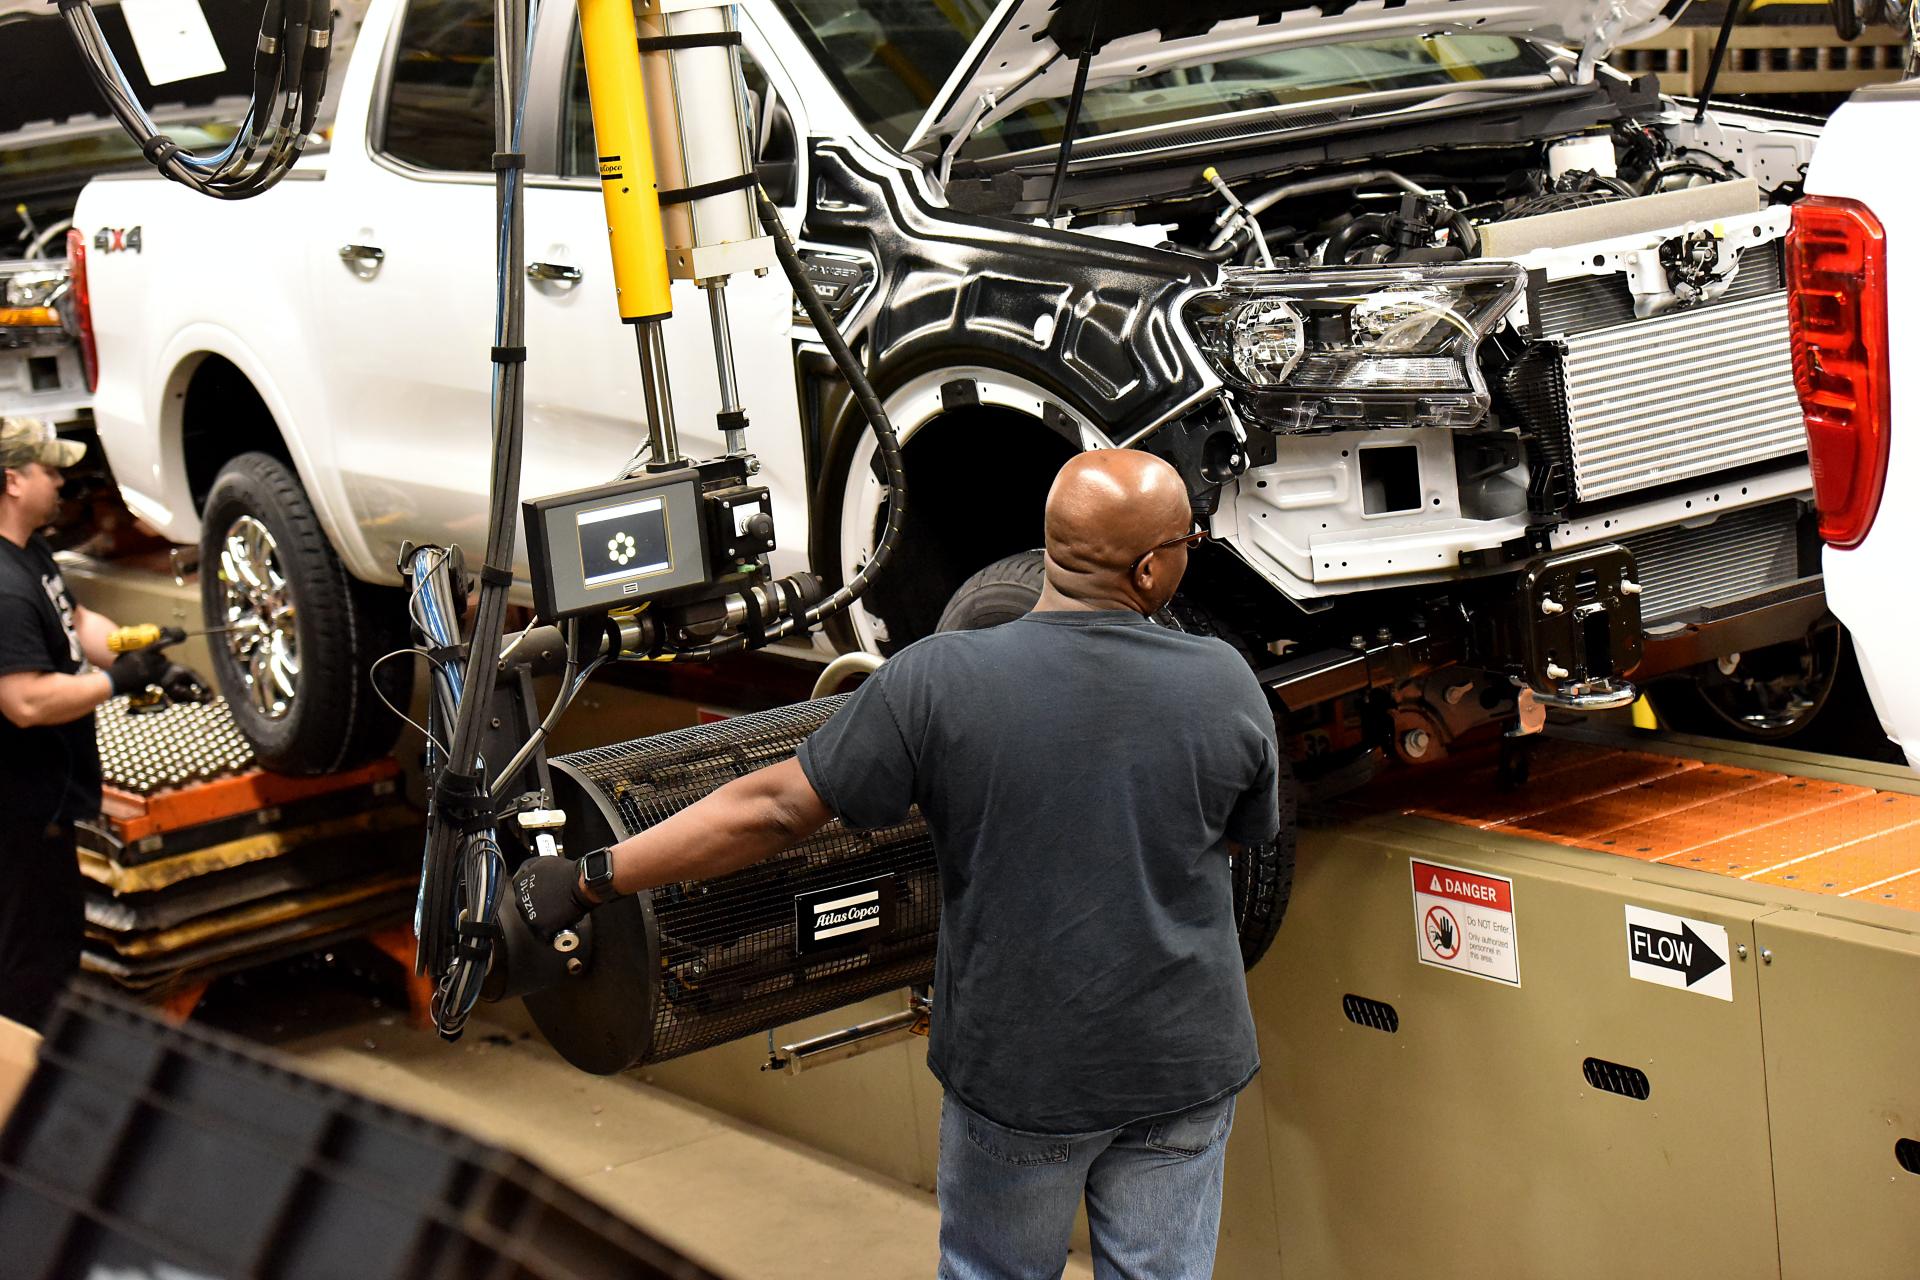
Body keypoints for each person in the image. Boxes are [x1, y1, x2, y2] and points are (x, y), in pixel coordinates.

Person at [515, 449, 1282, 1279]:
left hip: (1023, 1077)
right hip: (1183, 1067)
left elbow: (770, 809)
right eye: (1187, 543)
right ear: (1148, 566)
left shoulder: (938, 682)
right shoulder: (1224, 684)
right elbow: (1237, 837)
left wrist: (595, 877)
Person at [0, 417, 203, 1029]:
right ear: (12, 480)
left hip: (45, 816)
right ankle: (23, 1097)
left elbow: (74, 617)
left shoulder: (28, 549)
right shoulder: (3, 589)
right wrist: (120, 682)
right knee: (31, 965)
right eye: (49, 470)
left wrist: (139, 655)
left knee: (50, 947)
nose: (62, 481)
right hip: (19, 821)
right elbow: (26, 702)